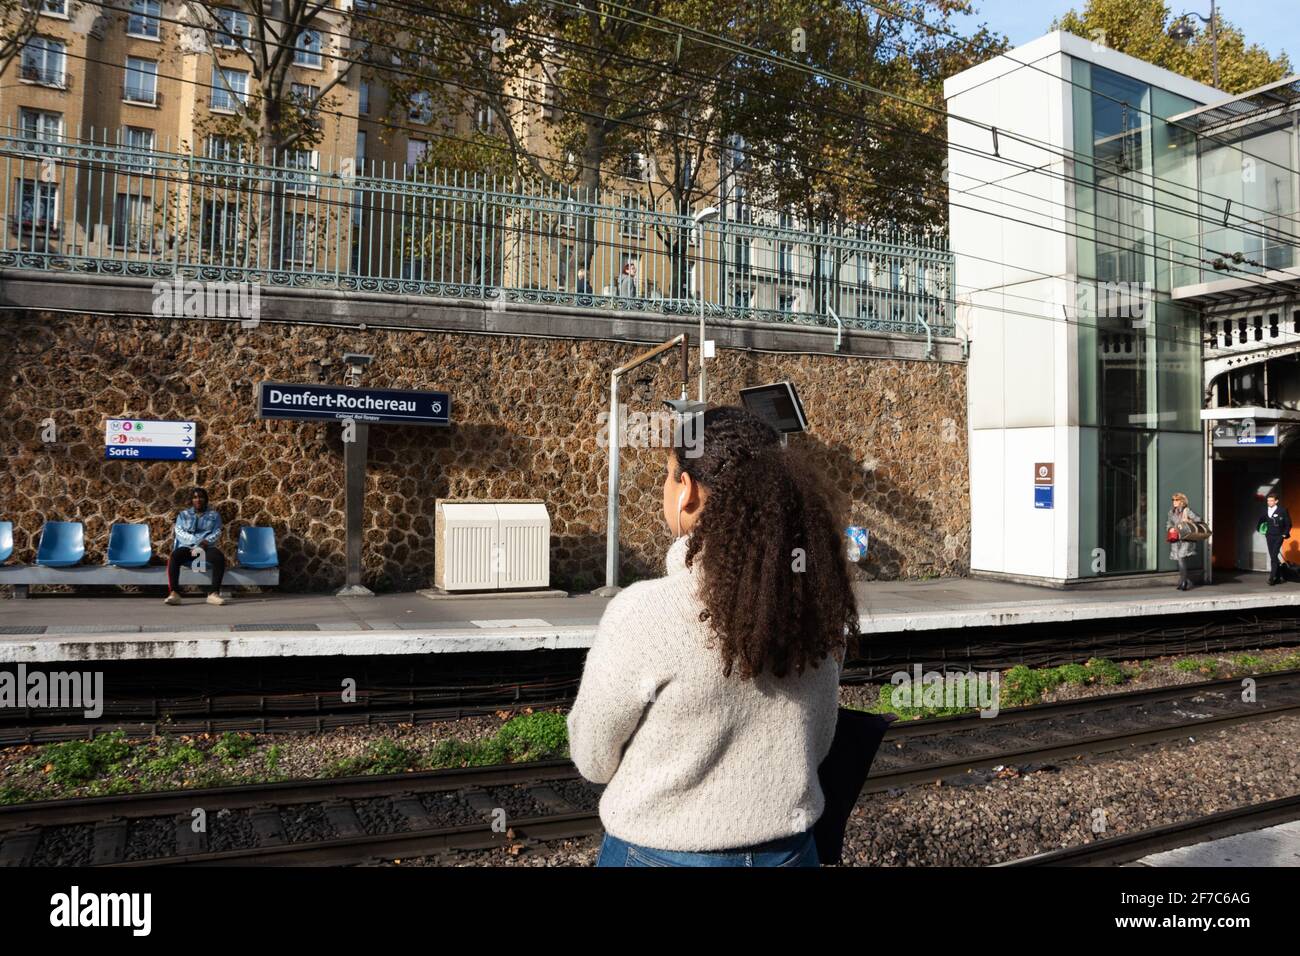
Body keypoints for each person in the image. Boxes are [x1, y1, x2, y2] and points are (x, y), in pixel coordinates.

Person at [568, 406, 857, 867]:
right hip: (789, 853)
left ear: (687, 491)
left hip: (658, 855)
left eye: (668, 475)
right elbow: (818, 743)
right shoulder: (815, 608)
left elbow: (593, 757)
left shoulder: (643, 612)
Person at [165, 487, 227, 606]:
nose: (198, 499)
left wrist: (205, 543)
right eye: (195, 497)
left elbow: (217, 532)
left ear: (206, 500)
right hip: (188, 547)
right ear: (191, 500)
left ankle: (213, 594)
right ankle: (174, 593)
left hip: (206, 547)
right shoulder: (183, 515)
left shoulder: (214, 515)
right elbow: (179, 532)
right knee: (175, 556)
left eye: (201, 497)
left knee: (219, 558)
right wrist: (196, 542)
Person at [1167, 492, 1201, 591]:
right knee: (1179, 560)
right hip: (1176, 539)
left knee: (1181, 558)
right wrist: (1170, 529)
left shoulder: (1187, 511)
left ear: (1182, 501)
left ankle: (1183, 582)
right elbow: (1168, 523)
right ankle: (1186, 581)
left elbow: (1199, 520)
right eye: (1173, 500)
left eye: (1176, 500)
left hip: (1186, 539)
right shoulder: (1171, 512)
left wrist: (1189, 521)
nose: (1174, 502)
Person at [1260, 491, 1293, 585]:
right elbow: (1261, 521)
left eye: (1271, 500)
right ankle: (1278, 577)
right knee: (1273, 556)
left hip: (1279, 536)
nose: (1269, 502)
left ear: (1276, 501)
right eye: (1268, 500)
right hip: (1269, 536)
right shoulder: (1265, 511)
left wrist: (1284, 534)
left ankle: (1272, 577)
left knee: (1274, 556)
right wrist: (1262, 530)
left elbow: (1288, 524)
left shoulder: (1282, 510)